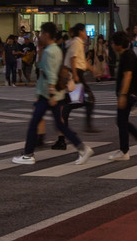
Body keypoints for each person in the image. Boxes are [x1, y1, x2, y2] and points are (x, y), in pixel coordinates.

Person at [11, 23, 91, 166]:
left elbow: (50, 74)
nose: (40, 36)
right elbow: (43, 67)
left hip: (48, 95)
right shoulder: (54, 50)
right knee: (60, 125)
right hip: (54, 94)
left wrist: (52, 94)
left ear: (46, 35)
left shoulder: (50, 52)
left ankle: (28, 154)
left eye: (41, 33)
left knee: (34, 124)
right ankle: (83, 148)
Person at [107, 30, 137, 160]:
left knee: (121, 120)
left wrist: (123, 95)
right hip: (131, 93)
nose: (111, 45)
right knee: (121, 121)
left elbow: (127, 76)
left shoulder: (127, 56)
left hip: (129, 94)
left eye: (112, 43)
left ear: (118, 44)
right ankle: (128, 148)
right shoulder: (128, 54)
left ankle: (130, 147)